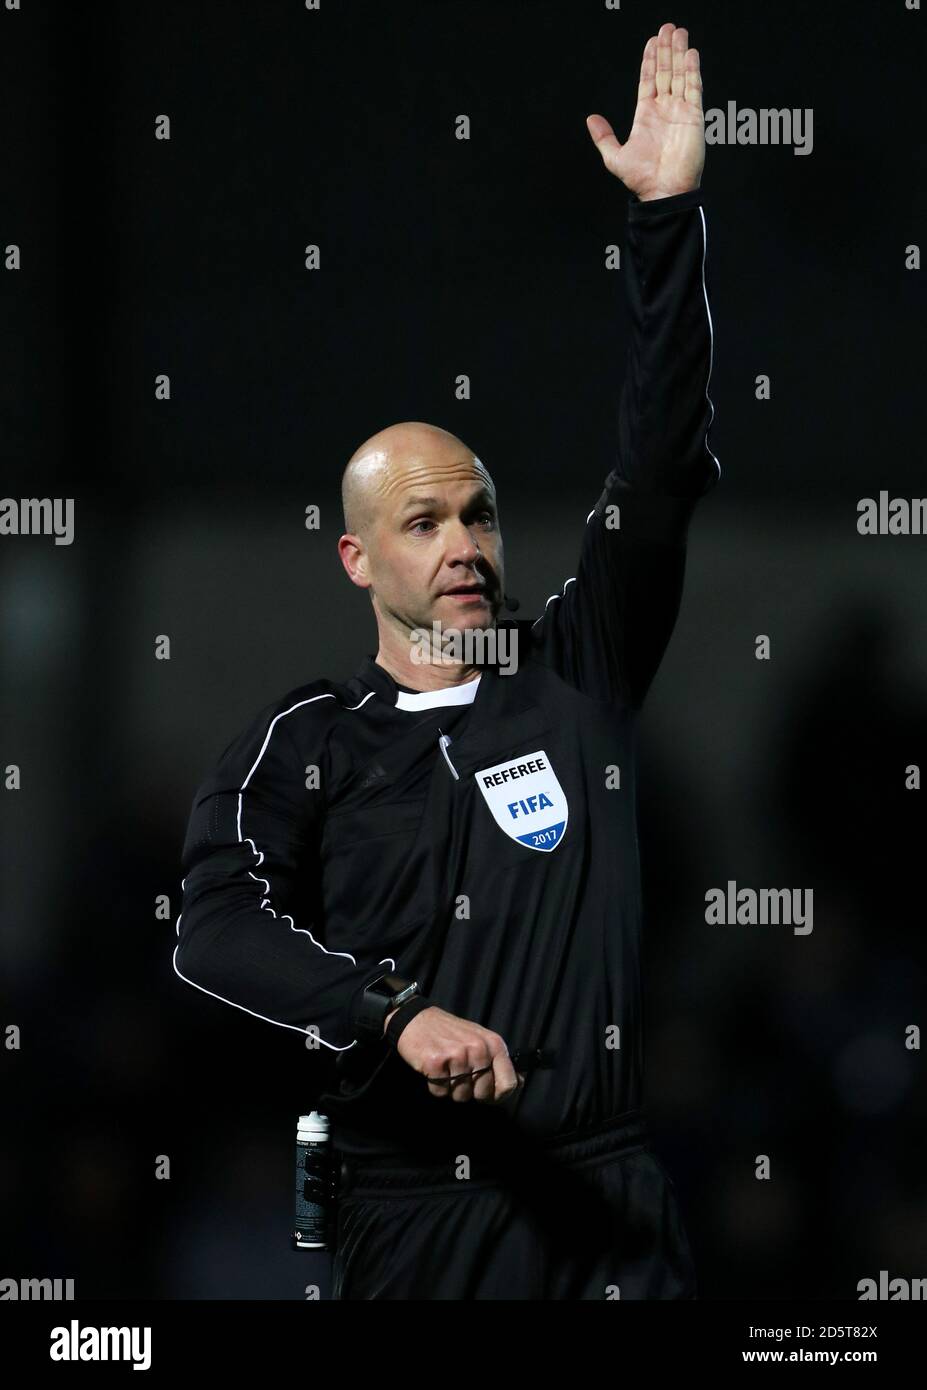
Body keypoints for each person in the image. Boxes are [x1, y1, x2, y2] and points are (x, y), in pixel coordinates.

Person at [174, 21, 719, 1299]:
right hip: (416, 1217)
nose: (464, 543)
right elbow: (212, 926)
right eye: (422, 523)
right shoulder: (306, 739)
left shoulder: (573, 665)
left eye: (476, 512)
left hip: (608, 1201)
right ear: (360, 559)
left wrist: (669, 218)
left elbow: (663, 457)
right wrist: (391, 1014)